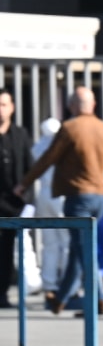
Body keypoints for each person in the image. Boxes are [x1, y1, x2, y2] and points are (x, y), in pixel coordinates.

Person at [16, 86, 103, 316]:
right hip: (100, 197)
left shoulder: (70, 128)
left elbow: (47, 159)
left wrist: (24, 183)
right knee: (83, 249)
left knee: (82, 250)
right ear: (93, 105)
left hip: (78, 197)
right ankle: (62, 298)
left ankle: (94, 300)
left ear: (72, 106)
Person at [30, 104, 68, 303]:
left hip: (43, 195)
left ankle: (49, 285)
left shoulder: (37, 147)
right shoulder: (61, 145)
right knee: (68, 243)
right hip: (59, 194)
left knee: (49, 244)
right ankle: (68, 285)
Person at [0, 88, 34, 308]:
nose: (0, 110)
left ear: (12, 107)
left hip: (11, 206)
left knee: (5, 252)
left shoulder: (20, 135)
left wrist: (27, 200)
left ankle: (2, 292)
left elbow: (30, 169)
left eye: (4, 104)